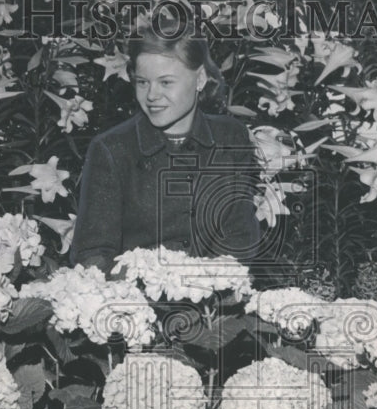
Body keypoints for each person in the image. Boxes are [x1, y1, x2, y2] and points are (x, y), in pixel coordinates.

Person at [69, 17, 261, 273]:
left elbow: (240, 235)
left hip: (215, 300)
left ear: (200, 79)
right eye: (142, 82)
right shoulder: (111, 149)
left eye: (166, 82)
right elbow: (92, 254)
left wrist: (208, 287)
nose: (151, 95)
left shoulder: (231, 138)